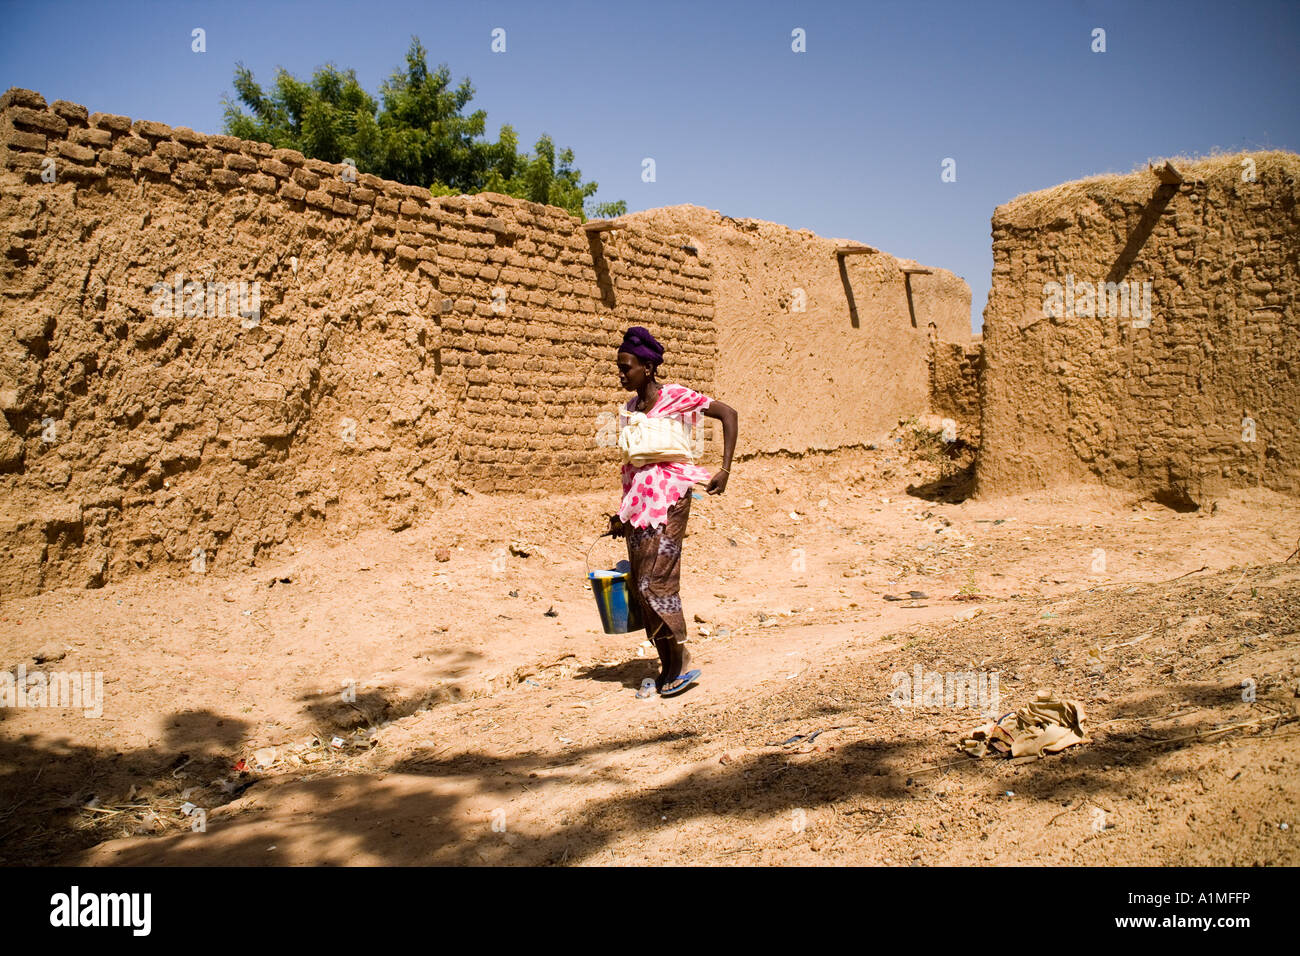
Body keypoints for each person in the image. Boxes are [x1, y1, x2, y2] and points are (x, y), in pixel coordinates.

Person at [606, 326, 738, 696]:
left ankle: (676, 663)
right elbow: (630, 468)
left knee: (656, 581)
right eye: (619, 367)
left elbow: (729, 414)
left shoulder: (675, 396)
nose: (620, 374)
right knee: (638, 584)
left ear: (647, 368)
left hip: (672, 498)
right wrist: (622, 513)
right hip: (640, 505)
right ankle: (666, 664)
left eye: (625, 367)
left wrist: (724, 470)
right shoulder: (630, 410)